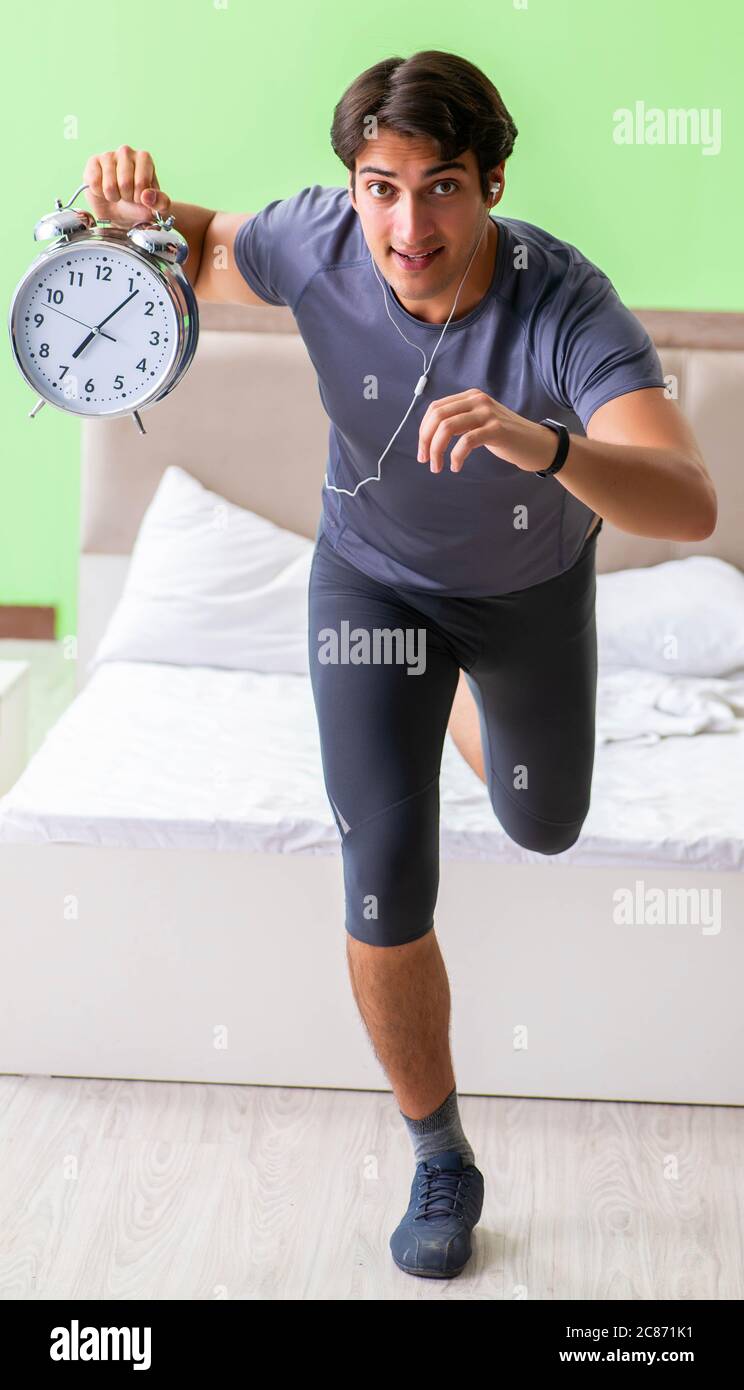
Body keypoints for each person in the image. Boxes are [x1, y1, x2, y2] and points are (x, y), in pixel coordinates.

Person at [83, 50, 716, 1281]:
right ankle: (439, 1152)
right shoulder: (318, 239)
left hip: (527, 600)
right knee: (384, 870)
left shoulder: (565, 306)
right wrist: (143, 224)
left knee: (544, 824)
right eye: (380, 186)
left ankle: (460, 716)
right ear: (351, 184)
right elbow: (210, 241)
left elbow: (689, 502)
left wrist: (543, 444)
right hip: (368, 582)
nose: (406, 224)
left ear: (489, 185)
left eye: (440, 189)